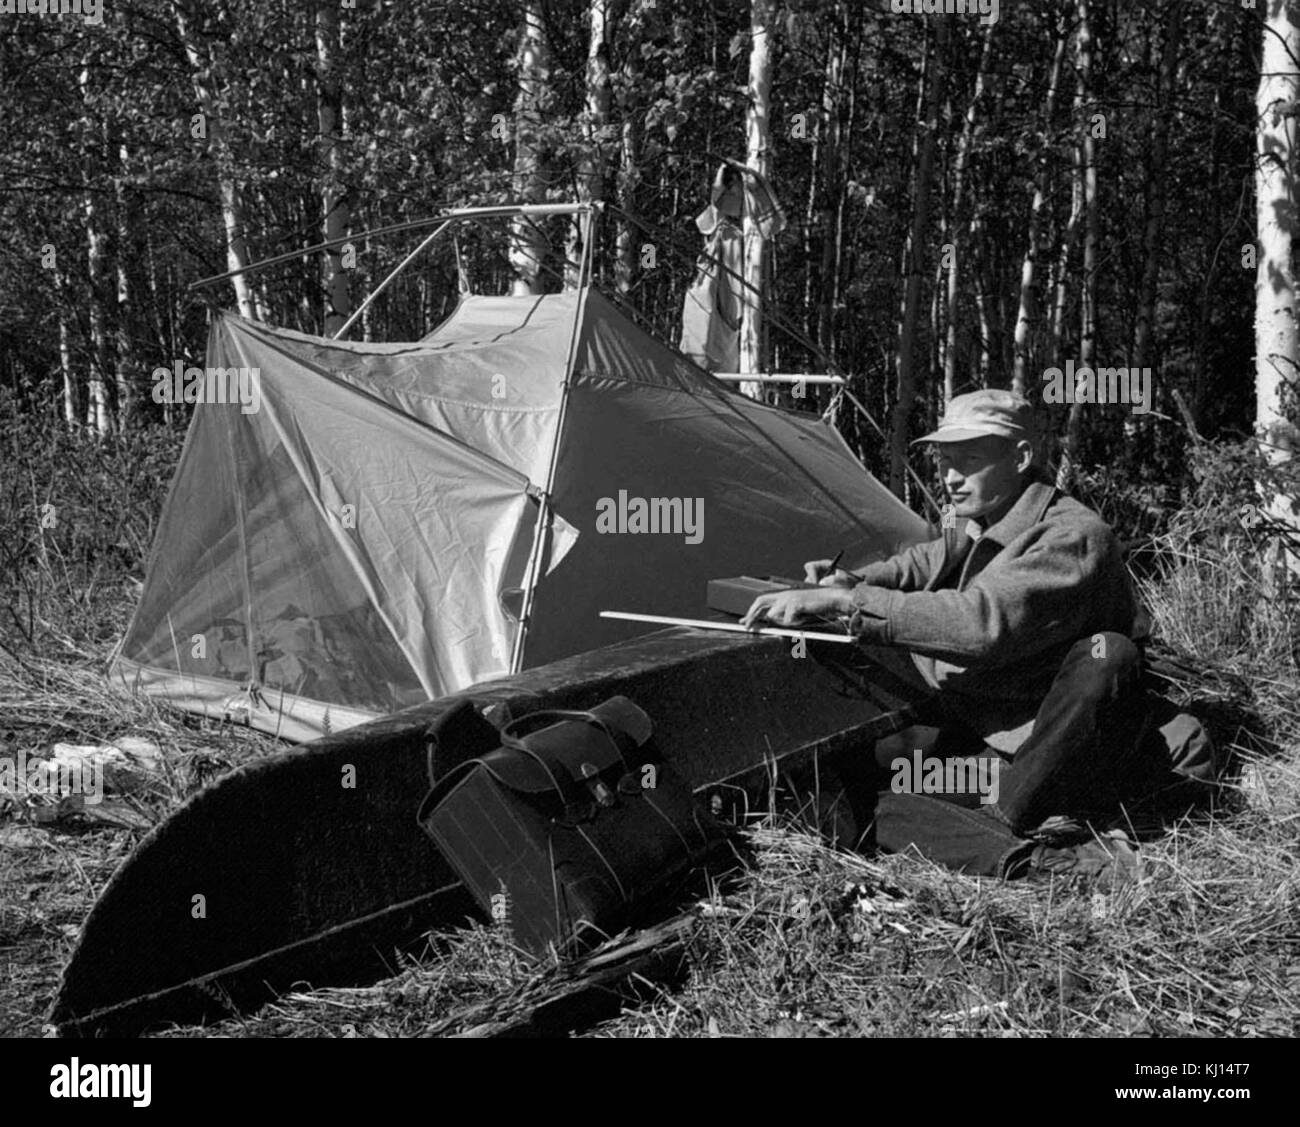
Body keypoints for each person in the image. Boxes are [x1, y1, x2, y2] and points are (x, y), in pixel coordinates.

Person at [740, 389, 1163, 880]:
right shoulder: (983, 519)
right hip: (989, 737)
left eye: (969, 460)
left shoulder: (1071, 535)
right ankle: (1000, 840)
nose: (950, 477)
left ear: (1022, 457)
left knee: (1107, 653)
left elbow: (980, 622)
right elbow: (921, 563)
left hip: (1054, 751)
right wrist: (857, 580)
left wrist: (848, 603)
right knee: (868, 792)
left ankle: (1018, 844)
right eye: (943, 461)